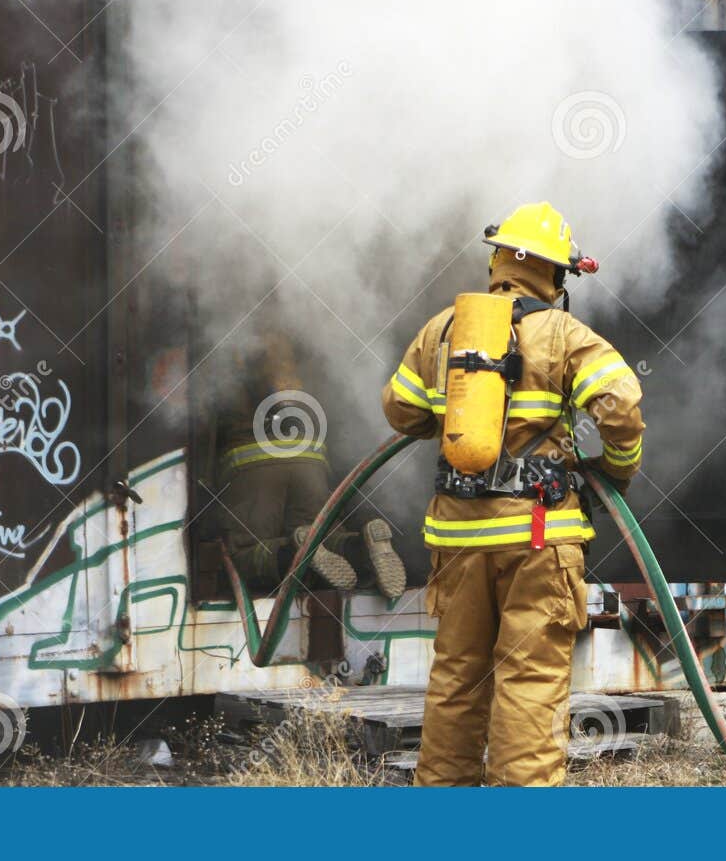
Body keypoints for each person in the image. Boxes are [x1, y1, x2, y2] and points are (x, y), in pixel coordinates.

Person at [382, 202, 644, 786]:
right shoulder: (564, 333)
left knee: (455, 679)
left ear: (497, 261)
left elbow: (401, 410)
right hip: (536, 537)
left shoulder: (444, 329)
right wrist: (616, 474)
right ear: (555, 276)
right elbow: (621, 405)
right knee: (527, 682)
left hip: (457, 539)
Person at [215, 328, 405, 600]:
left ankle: (297, 553)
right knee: (323, 533)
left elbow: (207, 419)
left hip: (252, 461)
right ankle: (362, 547)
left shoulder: (229, 334)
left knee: (248, 553)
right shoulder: (295, 333)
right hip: (309, 458)